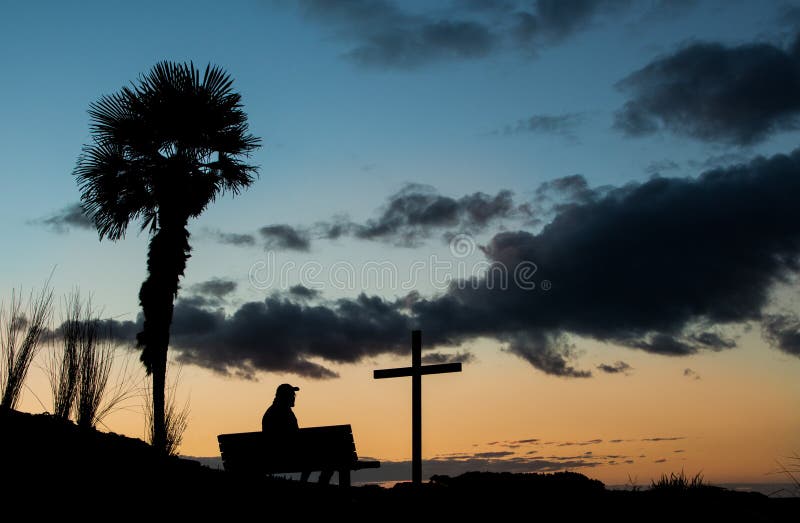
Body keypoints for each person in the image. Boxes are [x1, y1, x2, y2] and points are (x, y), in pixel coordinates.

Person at [261, 383, 333, 485]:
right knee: (330, 456)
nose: (294, 397)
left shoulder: (271, 412)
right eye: (292, 395)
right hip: (288, 456)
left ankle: (307, 483)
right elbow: (294, 437)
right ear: (285, 397)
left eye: (294, 395)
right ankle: (320, 485)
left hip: (274, 456)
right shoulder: (284, 413)